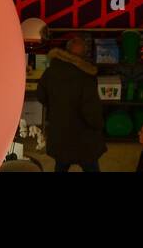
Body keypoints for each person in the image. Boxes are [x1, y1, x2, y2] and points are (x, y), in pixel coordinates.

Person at [35, 34, 106, 172]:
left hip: (60, 133)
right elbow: (91, 111)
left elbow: (41, 95)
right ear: (84, 55)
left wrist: (55, 107)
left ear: (66, 52)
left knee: (61, 165)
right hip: (83, 138)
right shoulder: (86, 76)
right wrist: (99, 125)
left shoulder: (51, 71)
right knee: (91, 167)